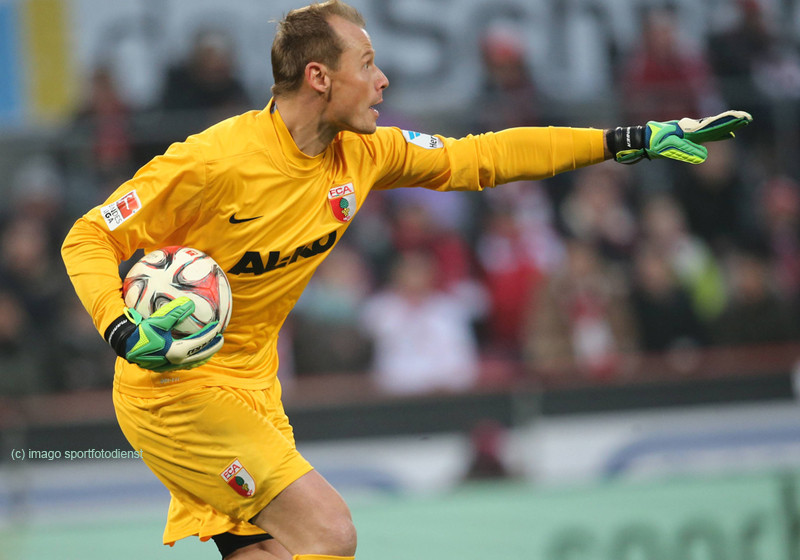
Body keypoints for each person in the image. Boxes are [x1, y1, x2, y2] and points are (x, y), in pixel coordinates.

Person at [60, 2, 752, 559]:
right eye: (367, 64)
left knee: (272, 552)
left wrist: (624, 140)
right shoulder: (215, 162)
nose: (383, 79)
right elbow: (87, 235)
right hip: (174, 389)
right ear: (319, 77)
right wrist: (120, 327)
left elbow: (482, 157)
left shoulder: (365, 154)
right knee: (329, 532)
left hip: (253, 387)